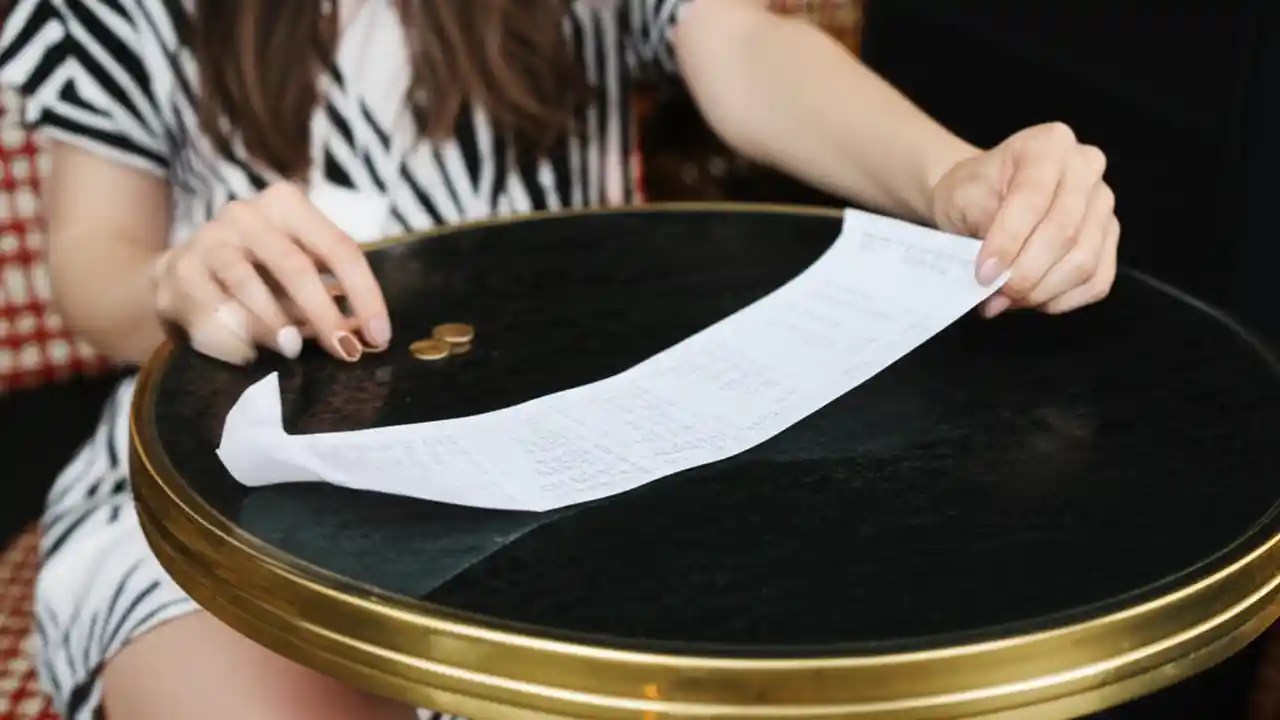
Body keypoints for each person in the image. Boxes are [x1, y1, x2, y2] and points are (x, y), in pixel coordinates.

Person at [0, 0, 1120, 717]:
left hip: (584, 451)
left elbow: (741, 45)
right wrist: (178, 280)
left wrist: (946, 176)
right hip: (227, 473)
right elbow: (94, 264)